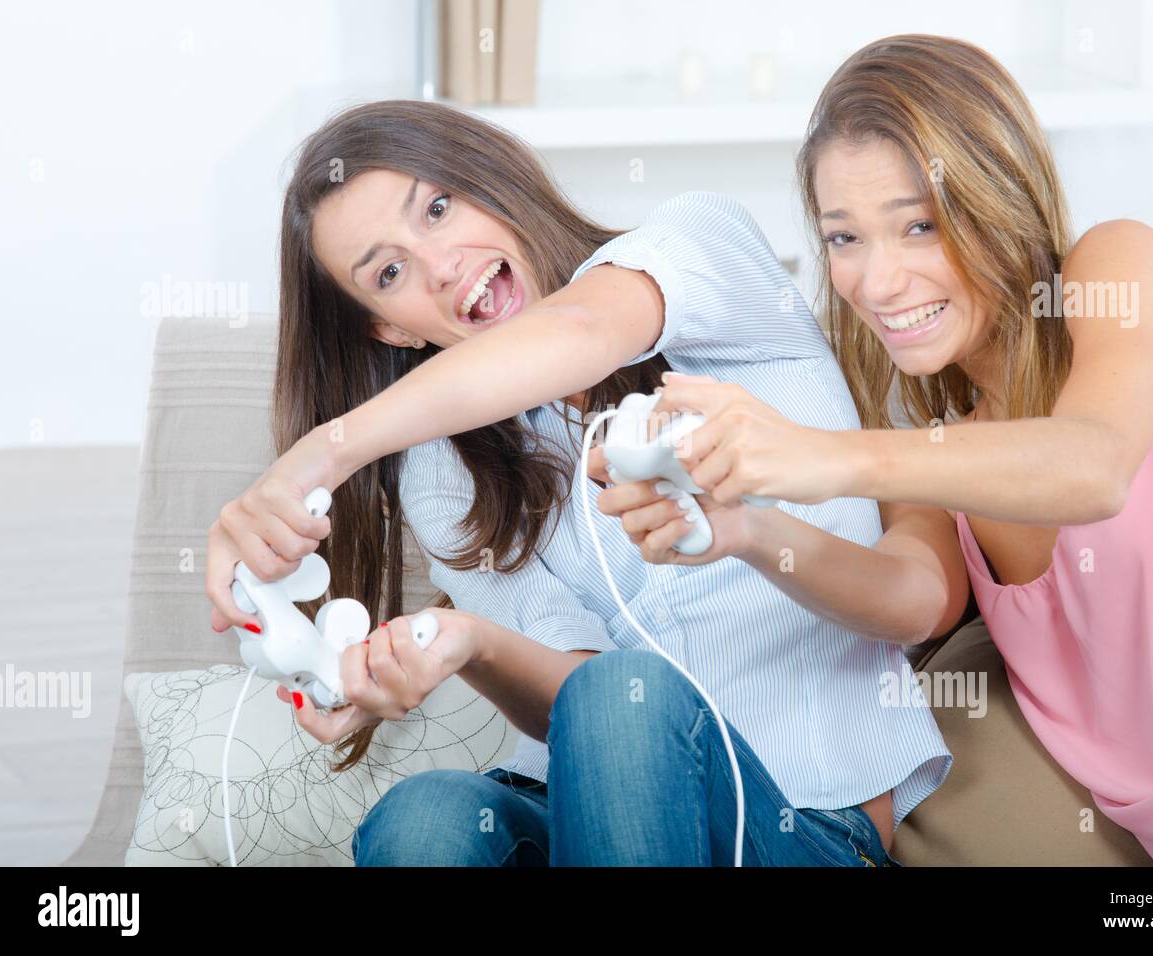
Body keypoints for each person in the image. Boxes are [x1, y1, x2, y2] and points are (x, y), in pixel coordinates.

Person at [597, 34, 1153, 867]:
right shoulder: (937, 448)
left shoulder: (1118, 271)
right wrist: (744, 529)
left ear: (997, 195)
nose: (878, 283)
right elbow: (908, 596)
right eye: (844, 239)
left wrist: (827, 453)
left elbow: (1095, 465)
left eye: (919, 225)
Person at [205, 99, 953, 866]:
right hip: (587, 822)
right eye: (390, 272)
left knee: (624, 700)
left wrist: (319, 454)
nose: (441, 265)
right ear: (386, 326)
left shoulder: (698, 247)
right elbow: (576, 698)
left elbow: (584, 330)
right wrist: (470, 642)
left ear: (490, 178)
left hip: (801, 825)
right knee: (426, 818)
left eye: (437, 207)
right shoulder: (440, 469)